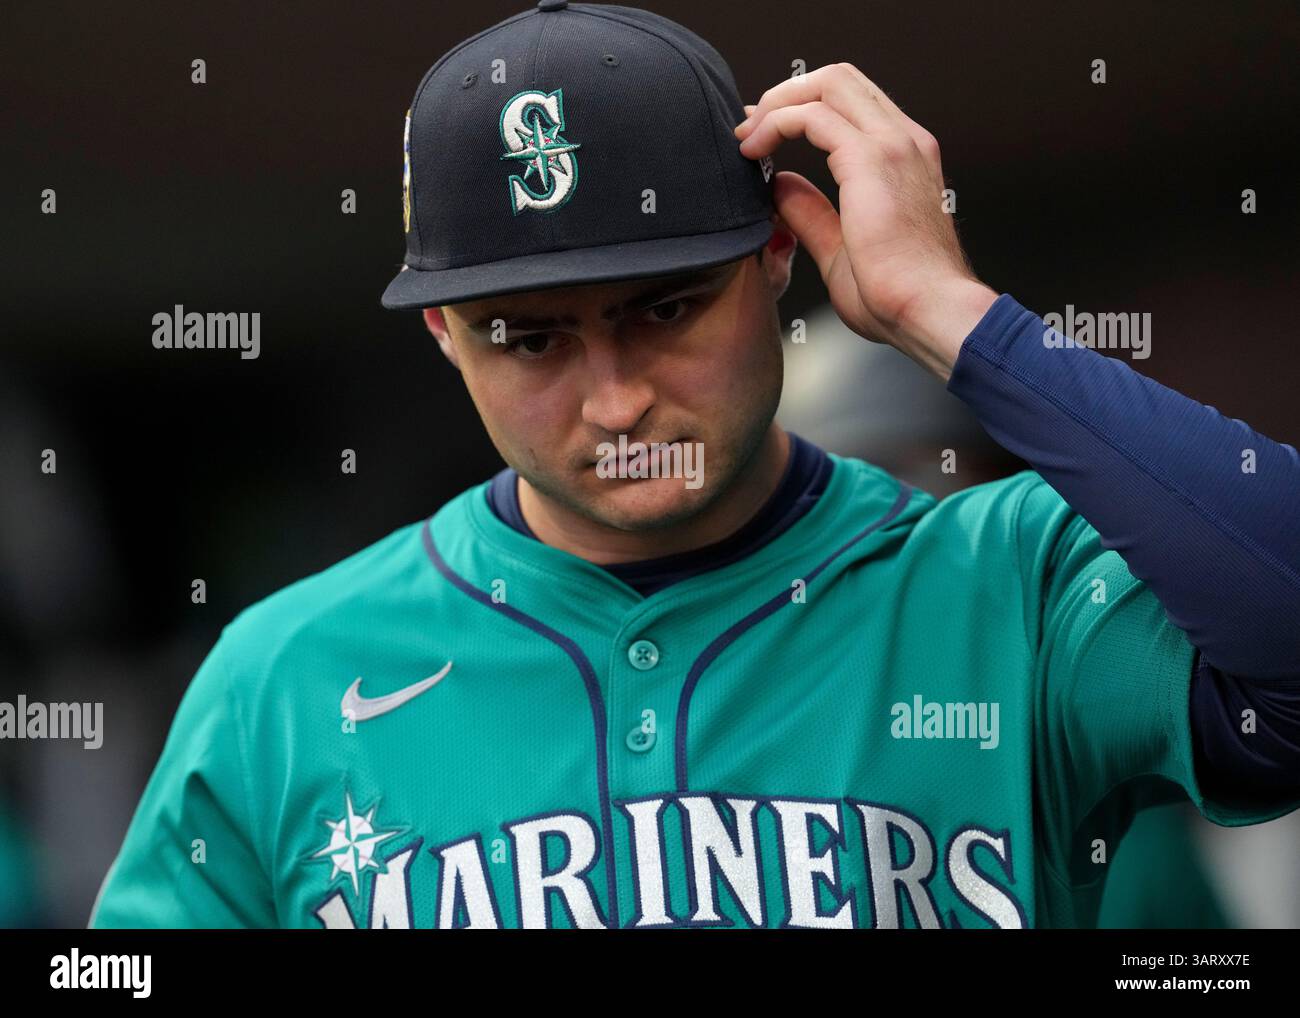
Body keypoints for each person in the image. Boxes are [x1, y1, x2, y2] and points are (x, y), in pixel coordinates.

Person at [91, 1, 1299, 929]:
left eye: (666, 307)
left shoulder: (1012, 583)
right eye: (530, 337)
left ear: (779, 256)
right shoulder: (285, 678)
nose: (617, 397)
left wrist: (953, 313)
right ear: (441, 336)